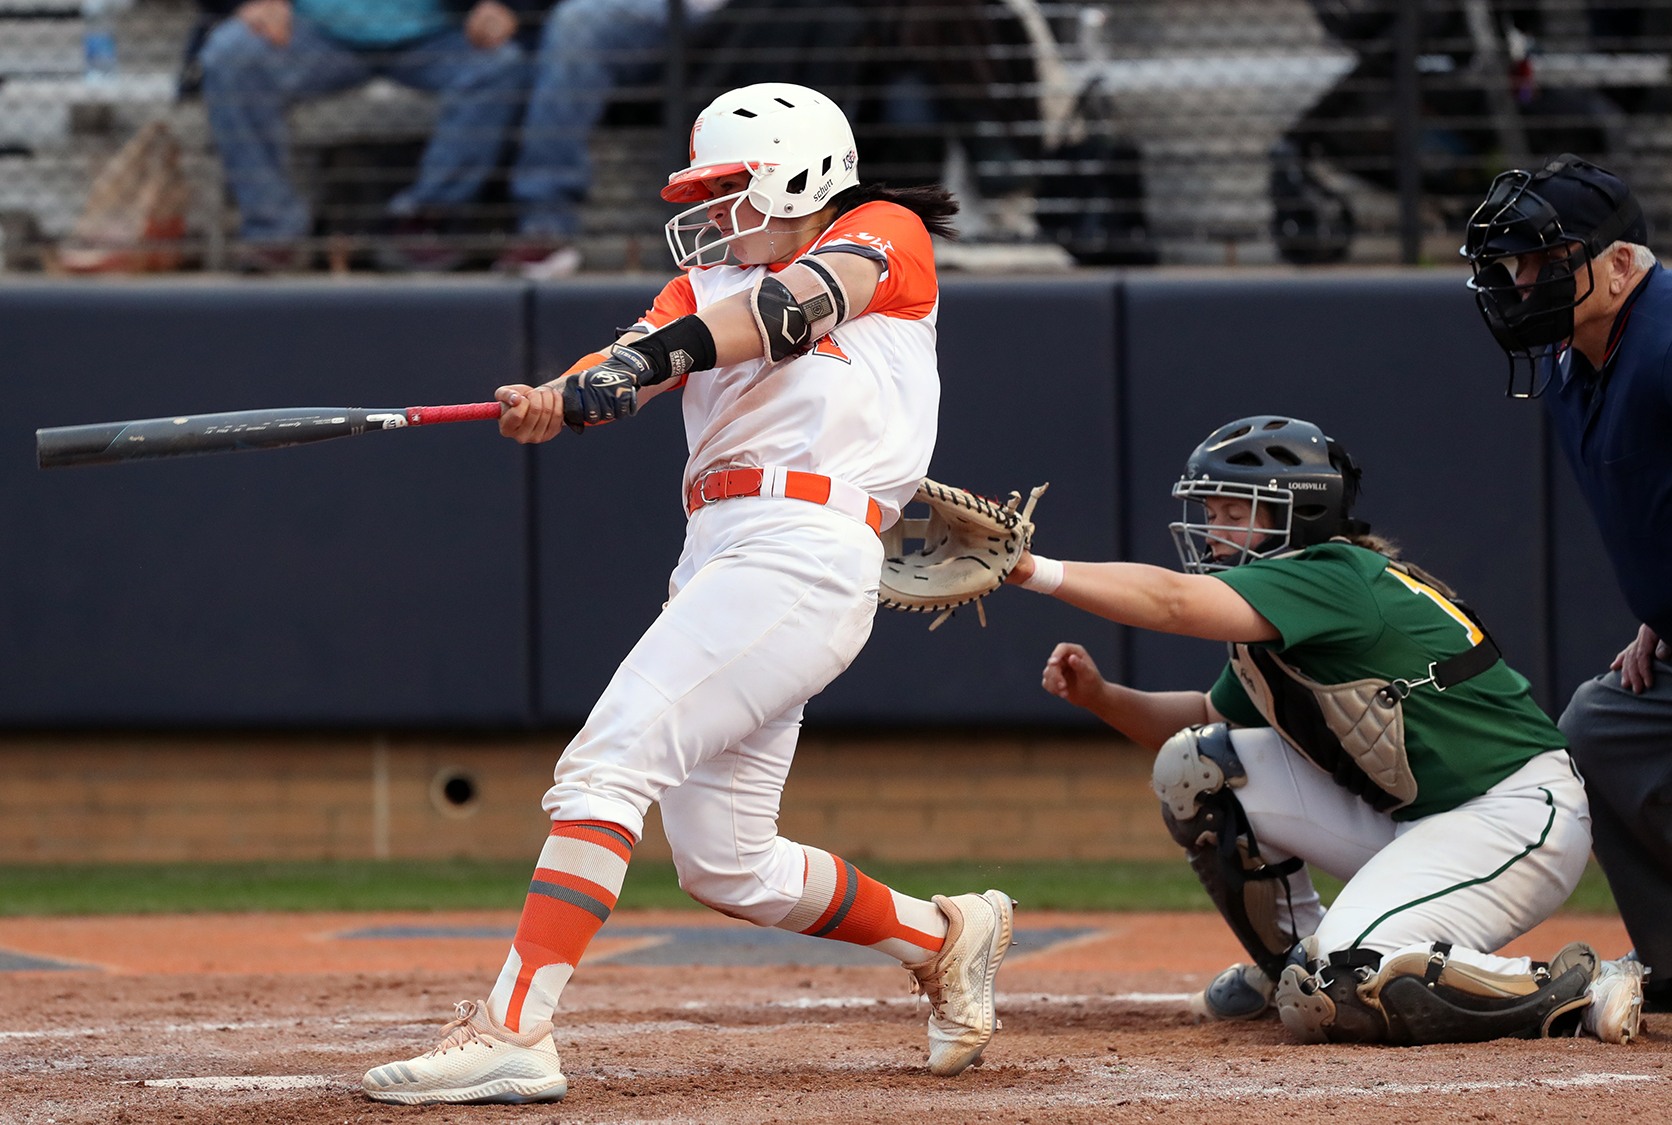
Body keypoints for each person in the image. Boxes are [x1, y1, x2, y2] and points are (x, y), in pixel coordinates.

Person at [361, 82, 1011, 1105]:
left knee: (605, 765)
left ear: (797, 171)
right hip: (717, 551)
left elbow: (793, 310)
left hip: (800, 547)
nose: (711, 211)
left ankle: (513, 1028)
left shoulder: (878, 231)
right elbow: (635, 354)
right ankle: (942, 936)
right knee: (725, 864)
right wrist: (559, 394)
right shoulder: (710, 277)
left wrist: (645, 361)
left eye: (729, 188)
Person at [1007, 415, 1645, 1046]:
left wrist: (1032, 569)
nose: (1212, 531)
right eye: (1212, 511)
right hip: (1421, 820)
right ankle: (1289, 968)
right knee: (1198, 767)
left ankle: (1578, 984)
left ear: (1301, 515)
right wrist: (1101, 696)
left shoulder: (1330, 576)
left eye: (1236, 513)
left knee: (1341, 983)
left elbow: (1172, 603)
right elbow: (1206, 718)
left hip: (1513, 817)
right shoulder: (1279, 609)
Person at [1465, 154, 1672, 1013]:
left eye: (1549, 263)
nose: (1524, 285)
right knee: (1598, 724)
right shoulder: (1568, 365)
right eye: (1514, 267)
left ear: (1620, 262)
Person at [199, 0, 525, 271]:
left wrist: (504, 5)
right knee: (231, 54)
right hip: (310, 31)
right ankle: (273, 233)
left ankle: (424, 221)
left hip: (442, 30)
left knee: (500, 64)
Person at [496, 0, 732, 276]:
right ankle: (529, 229)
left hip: (705, 14)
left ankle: (547, 225)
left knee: (577, 22)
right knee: (508, 51)